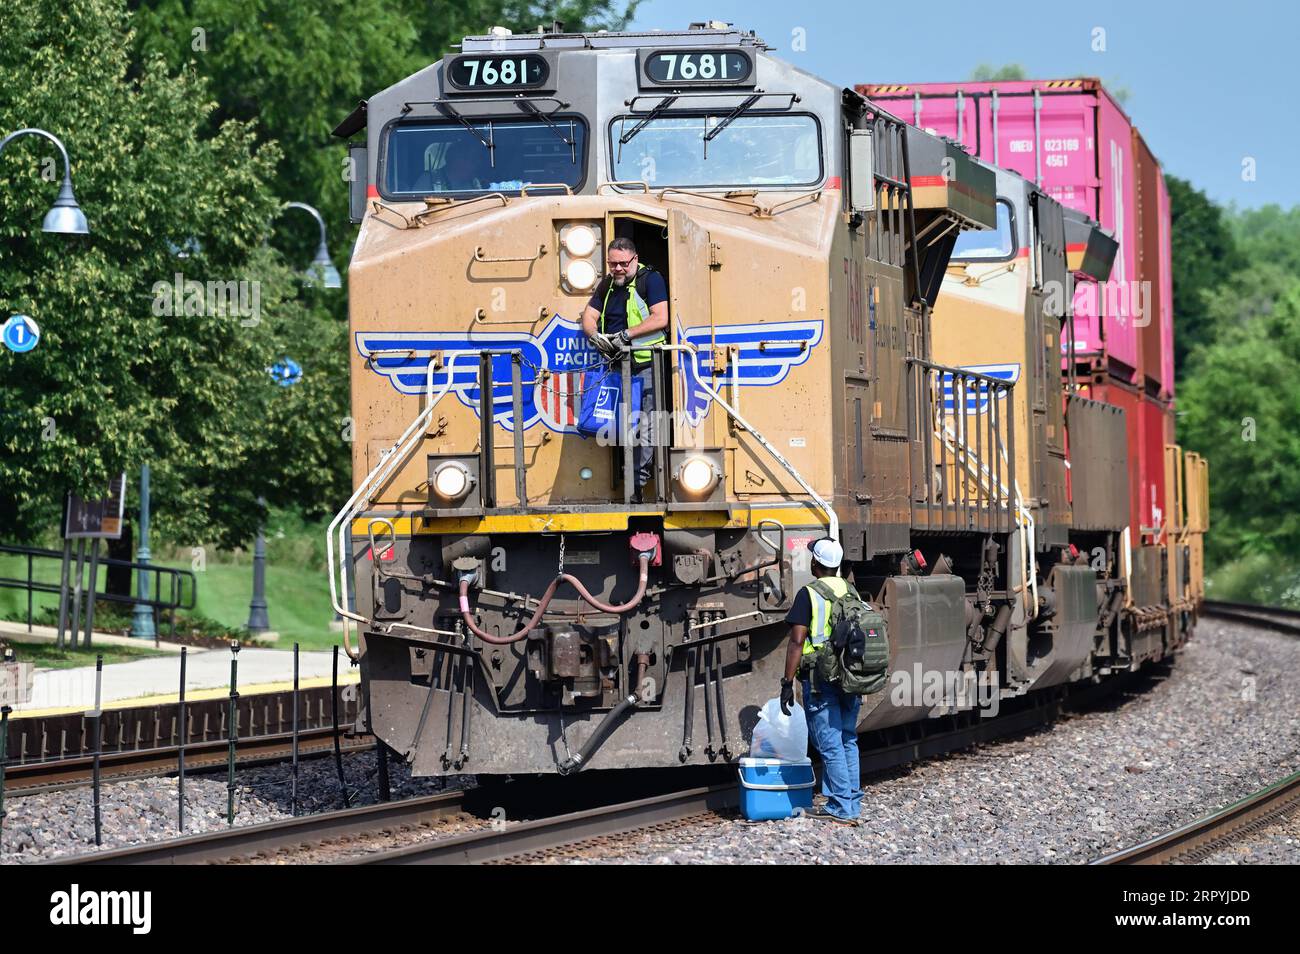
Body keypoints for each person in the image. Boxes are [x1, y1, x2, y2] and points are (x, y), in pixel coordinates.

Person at [779, 538, 863, 824]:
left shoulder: (809, 594)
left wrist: (787, 682)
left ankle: (841, 806)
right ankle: (851, 801)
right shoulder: (851, 590)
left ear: (816, 564)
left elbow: (797, 640)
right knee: (848, 738)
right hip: (850, 676)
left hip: (820, 678)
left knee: (830, 743)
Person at [580, 238, 668, 502]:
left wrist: (626, 335)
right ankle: (626, 479)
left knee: (650, 425)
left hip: (647, 364)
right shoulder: (607, 284)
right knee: (618, 425)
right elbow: (589, 315)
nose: (617, 268)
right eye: (612, 263)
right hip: (617, 366)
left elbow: (660, 317)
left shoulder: (650, 280)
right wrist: (594, 335)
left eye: (622, 263)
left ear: (635, 259)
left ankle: (637, 486)